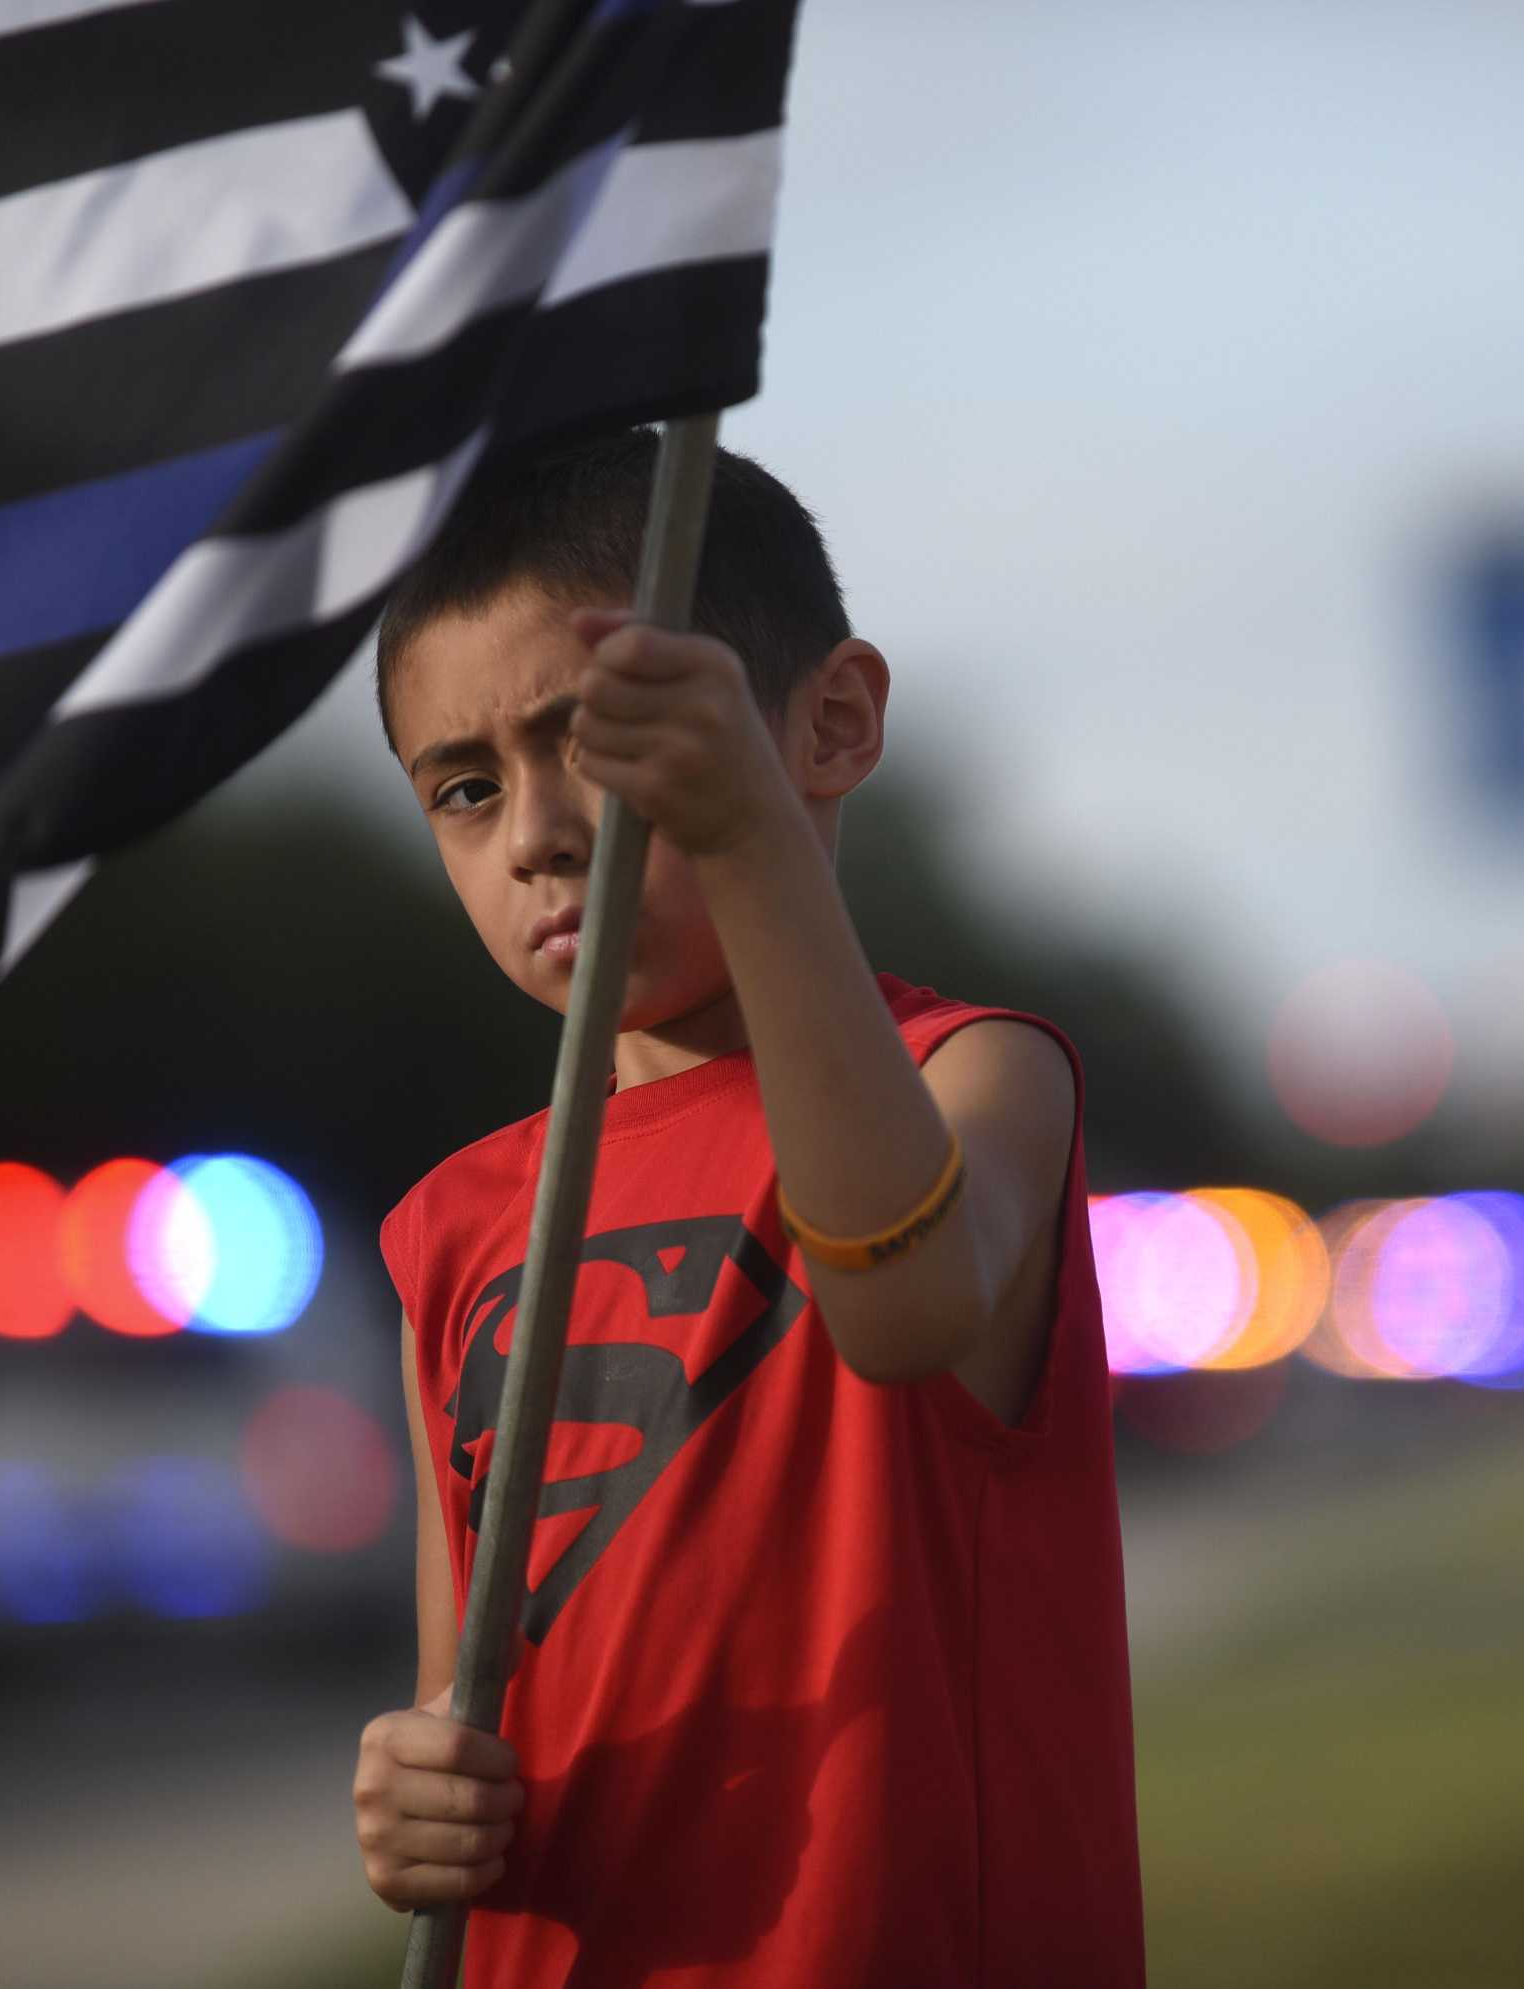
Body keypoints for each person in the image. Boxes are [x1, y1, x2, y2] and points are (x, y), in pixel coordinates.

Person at [351, 426, 1144, 1987]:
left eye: (598, 741)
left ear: (832, 723)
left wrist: (749, 833)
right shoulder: (447, 1226)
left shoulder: (978, 1081)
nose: (534, 834)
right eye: (461, 786)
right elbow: (471, 1692)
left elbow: (905, 1302)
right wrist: (417, 1793)